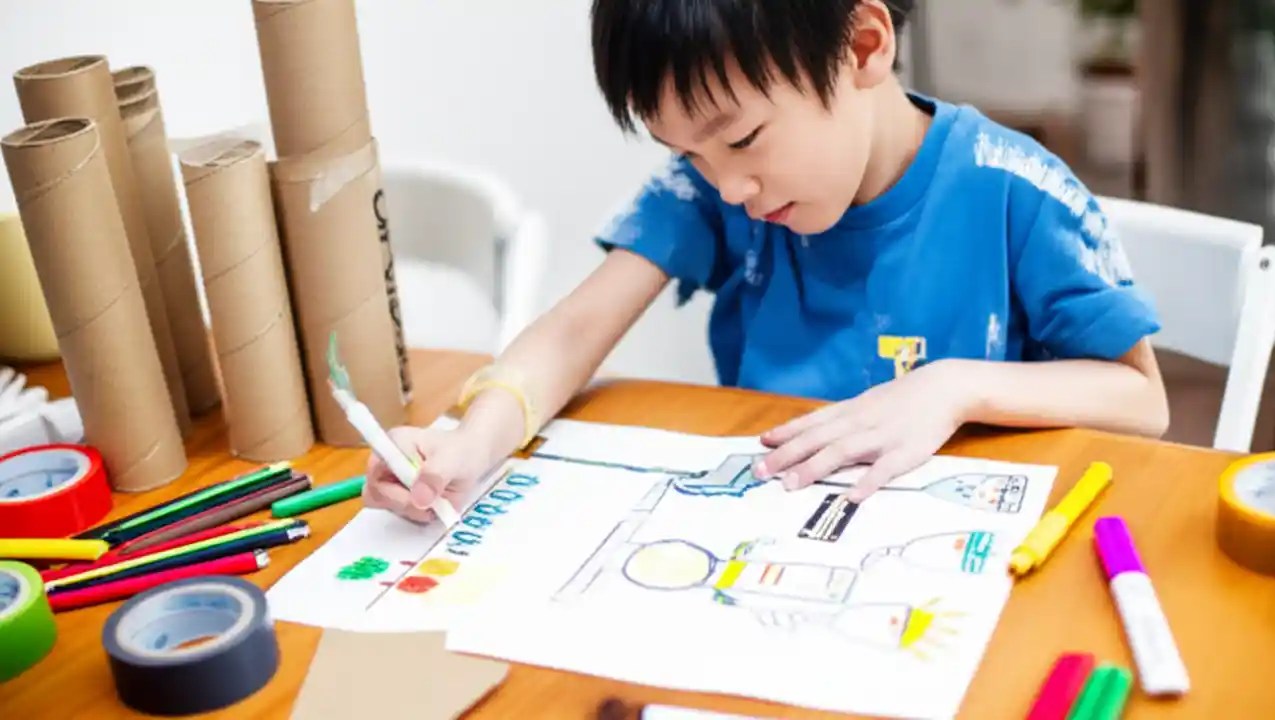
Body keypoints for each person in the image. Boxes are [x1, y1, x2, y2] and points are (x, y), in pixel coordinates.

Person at [365, 0, 1169, 524]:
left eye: (744, 138)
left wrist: (953, 384)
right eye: (691, 151)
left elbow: (1142, 398)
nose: (733, 187)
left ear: (862, 47)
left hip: (958, 535)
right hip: (768, 529)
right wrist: (476, 439)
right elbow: (578, 328)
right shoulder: (713, 183)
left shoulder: (1013, 189)